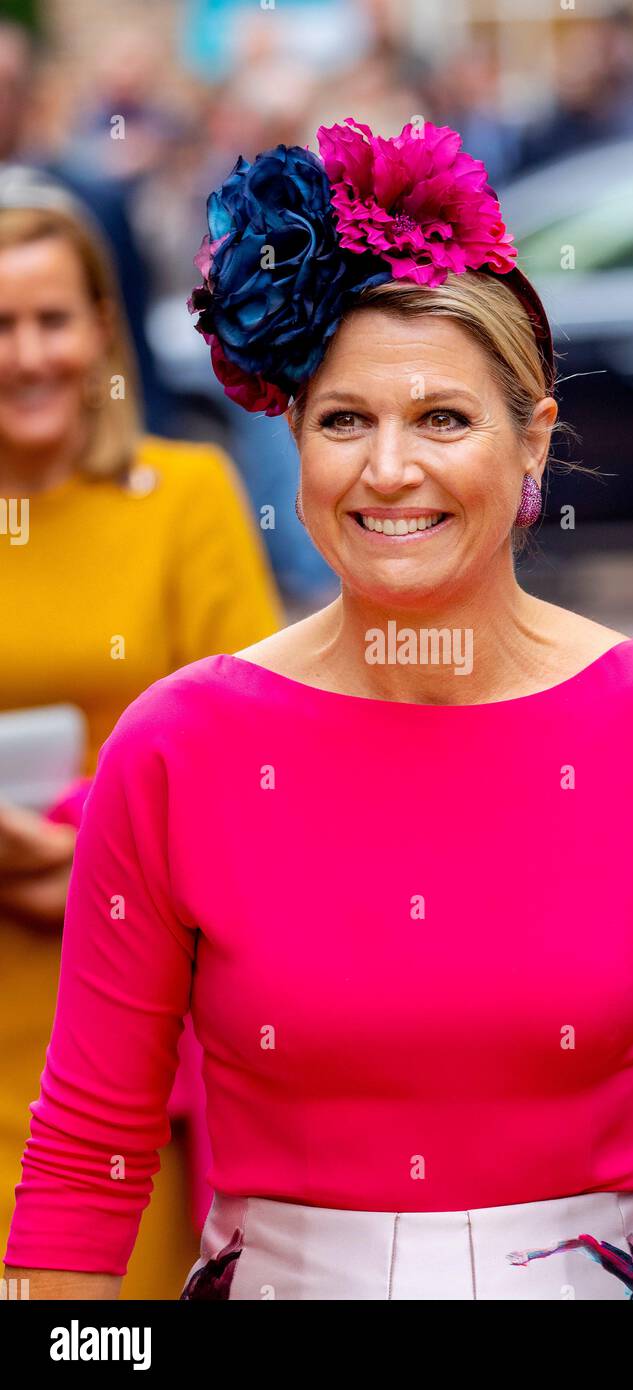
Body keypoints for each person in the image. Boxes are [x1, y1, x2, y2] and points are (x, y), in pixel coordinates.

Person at [4, 118, 633, 1301]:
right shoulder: (179, 747)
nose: (388, 469)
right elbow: (88, 1154)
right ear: (294, 443)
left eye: (443, 418)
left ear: (531, 442)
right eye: (345, 421)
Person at [0, 168, 285, 1298]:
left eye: (52, 319)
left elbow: (261, 763)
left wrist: (83, 856)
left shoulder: (185, 495)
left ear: (103, 329)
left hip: (123, 1010)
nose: (27, 356)